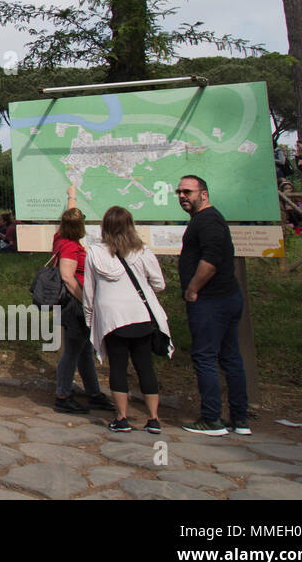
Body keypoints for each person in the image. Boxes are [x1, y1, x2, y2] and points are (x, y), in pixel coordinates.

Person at [83, 206, 172, 433]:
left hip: (112, 319)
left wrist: (89, 317)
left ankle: (121, 417)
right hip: (140, 316)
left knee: (118, 368)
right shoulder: (142, 252)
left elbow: (89, 291)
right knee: (145, 367)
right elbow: (160, 284)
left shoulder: (95, 252)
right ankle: (153, 418)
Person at [176, 174, 249, 436]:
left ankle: (211, 418)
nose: (183, 196)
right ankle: (239, 420)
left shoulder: (208, 221)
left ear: (203, 194)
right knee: (230, 358)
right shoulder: (205, 220)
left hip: (212, 301)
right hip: (224, 298)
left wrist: (193, 289)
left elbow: (211, 261)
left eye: (188, 192)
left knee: (206, 357)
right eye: (179, 192)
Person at [52, 188, 114, 414]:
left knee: (84, 349)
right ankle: (62, 395)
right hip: (74, 304)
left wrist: (71, 197)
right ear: (80, 227)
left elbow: (70, 216)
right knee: (73, 350)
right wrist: (87, 303)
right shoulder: (70, 246)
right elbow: (68, 277)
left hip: (76, 303)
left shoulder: (61, 236)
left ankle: (94, 392)